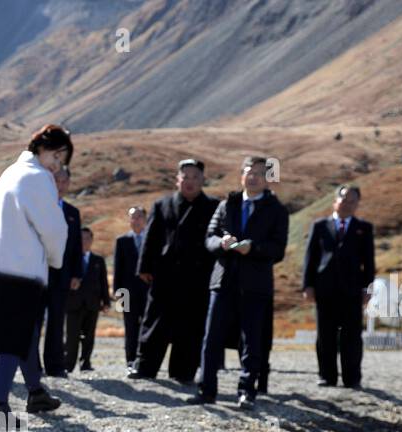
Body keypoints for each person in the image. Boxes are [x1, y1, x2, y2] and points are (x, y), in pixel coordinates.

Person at [0, 124, 71, 427]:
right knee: (14, 338)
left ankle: (36, 392)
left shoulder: (9, 174)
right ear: (45, 149)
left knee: (23, 333)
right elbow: (53, 228)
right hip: (23, 271)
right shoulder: (38, 178)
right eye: (58, 156)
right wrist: (56, 259)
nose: (58, 165)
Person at [190, 156, 289, 408]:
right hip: (222, 281)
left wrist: (252, 248)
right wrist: (221, 244)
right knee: (211, 338)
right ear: (241, 175)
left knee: (252, 340)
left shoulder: (276, 210)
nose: (253, 176)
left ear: (267, 179)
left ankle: (246, 391)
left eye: (259, 173)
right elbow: (209, 238)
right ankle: (206, 389)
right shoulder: (227, 205)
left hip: (255, 285)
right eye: (248, 171)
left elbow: (278, 249)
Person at [131, 158, 218, 383]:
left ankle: (184, 372)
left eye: (195, 177)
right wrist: (144, 267)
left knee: (191, 326)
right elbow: (151, 238)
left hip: (197, 277)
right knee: (154, 323)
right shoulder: (163, 205)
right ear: (177, 180)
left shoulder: (213, 207)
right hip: (165, 276)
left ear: (203, 180)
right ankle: (144, 367)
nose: (190, 182)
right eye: (185, 177)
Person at [301, 184, 376, 388]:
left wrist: (367, 289)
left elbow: (369, 263)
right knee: (325, 335)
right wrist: (307, 285)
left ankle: (352, 378)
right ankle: (327, 375)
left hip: (352, 291)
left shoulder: (364, 229)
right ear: (335, 201)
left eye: (352, 201)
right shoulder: (319, 226)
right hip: (324, 289)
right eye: (344, 199)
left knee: (352, 336)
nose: (347, 204)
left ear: (357, 204)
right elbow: (310, 258)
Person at [44, 165, 84, 377]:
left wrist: (77, 274)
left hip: (63, 275)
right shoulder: (39, 207)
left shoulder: (72, 213)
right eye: (56, 180)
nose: (60, 185)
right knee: (32, 321)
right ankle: (30, 366)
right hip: (38, 272)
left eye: (64, 181)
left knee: (57, 321)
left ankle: (55, 366)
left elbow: (77, 246)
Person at [64, 226, 111, 372]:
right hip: (73, 304)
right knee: (72, 337)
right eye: (82, 238)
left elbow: (103, 282)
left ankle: (86, 363)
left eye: (87, 238)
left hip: (92, 304)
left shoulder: (98, 260)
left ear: (92, 240)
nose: (84, 241)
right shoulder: (70, 259)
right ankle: (68, 365)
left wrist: (106, 302)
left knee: (89, 336)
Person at [111, 206, 149, 370]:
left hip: (148, 292)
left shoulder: (152, 239)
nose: (135, 220)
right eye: (132, 217)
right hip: (126, 293)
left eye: (139, 217)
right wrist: (118, 293)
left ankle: (145, 361)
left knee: (146, 327)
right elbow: (117, 268)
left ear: (145, 219)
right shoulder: (122, 241)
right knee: (130, 327)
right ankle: (130, 361)